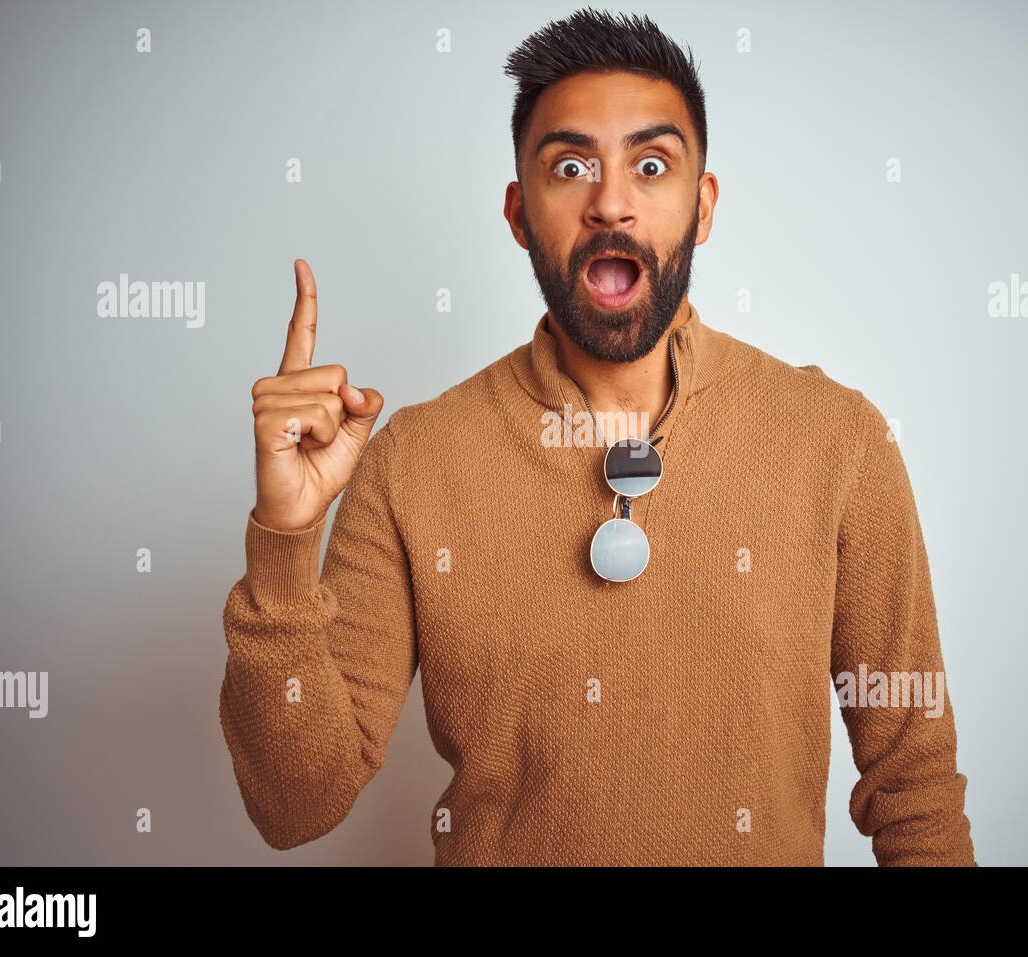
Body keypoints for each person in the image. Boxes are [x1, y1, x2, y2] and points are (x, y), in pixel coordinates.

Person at [219, 7, 976, 866]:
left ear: (703, 204)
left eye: (651, 166)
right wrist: (284, 537)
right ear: (517, 210)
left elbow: (913, 788)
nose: (610, 202)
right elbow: (294, 803)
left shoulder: (839, 442)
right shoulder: (411, 463)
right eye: (571, 166)